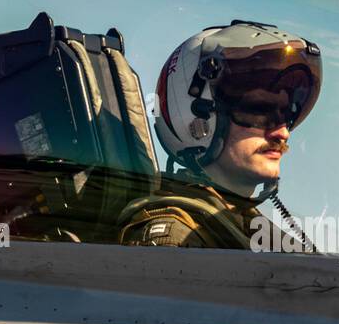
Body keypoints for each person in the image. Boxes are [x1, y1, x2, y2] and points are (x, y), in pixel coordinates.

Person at [118, 20, 321, 249]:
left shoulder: (245, 227)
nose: (282, 133)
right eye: (259, 111)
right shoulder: (176, 242)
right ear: (198, 121)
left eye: (285, 115)